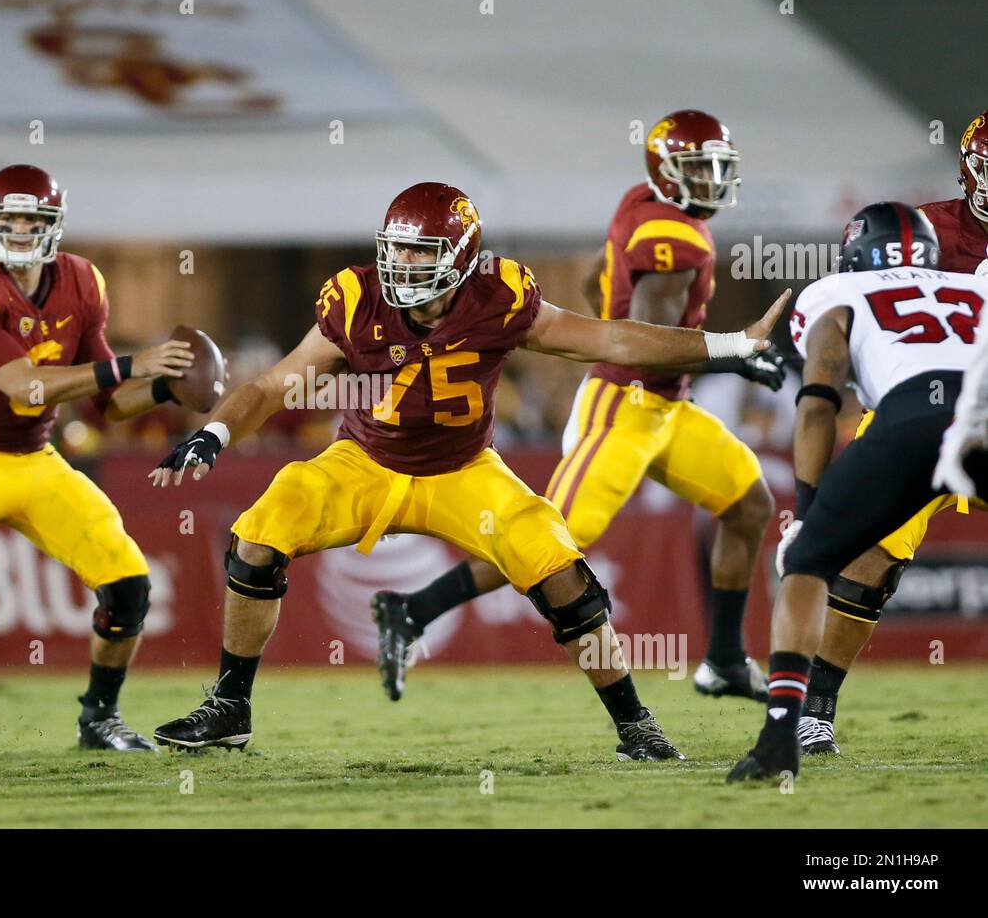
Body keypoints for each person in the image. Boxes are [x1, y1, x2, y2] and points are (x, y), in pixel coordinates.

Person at [149, 181, 787, 760]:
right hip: (364, 463)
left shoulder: (499, 296)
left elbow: (610, 338)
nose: (402, 265)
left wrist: (729, 346)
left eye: (421, 253)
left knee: (562, 572)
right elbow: (275, 383)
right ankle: (230, 707)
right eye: (396, 250)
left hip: (465, 471)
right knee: (260, 534)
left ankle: (635, 725)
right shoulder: (354, 297)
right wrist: (214, 432)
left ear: (459, 258)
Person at [369, 111, 784, 703]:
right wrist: (733, 356)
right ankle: (413, 609)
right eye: (700, 167)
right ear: (665, 171)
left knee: (749, 503)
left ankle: (723, 661)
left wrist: (618, 321)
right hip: (625, 407)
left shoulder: (643, 203)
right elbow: (649, 349)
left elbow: (595, 280)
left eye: (720, 166)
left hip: (668, 409)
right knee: (550, 539)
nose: (714, 179)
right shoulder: (676, 240)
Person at [0, 164, 193, 754]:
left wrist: (169, 385)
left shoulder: (83, 281)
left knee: (129, 583)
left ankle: (100, 717)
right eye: (5, 218)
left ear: (52, 224)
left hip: (35, 457)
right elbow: (24, 388)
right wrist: (136, 362)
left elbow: (112, 404)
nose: (16, 228)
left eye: (29, 218)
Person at [730, 201, 988, 782]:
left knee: (807, 563)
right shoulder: (971, 285)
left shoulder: (834, 292)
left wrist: (807, 511)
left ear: (852, 253)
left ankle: (780, 734)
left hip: (910, 420)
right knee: (869, 560)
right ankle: (813, 714)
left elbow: (819, 400)